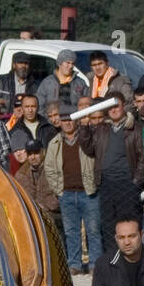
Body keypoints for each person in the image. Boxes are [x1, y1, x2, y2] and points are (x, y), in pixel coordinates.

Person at [45, 104, 99, 273]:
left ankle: (95, 264)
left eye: (71, 119)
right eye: (64, 120)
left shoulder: (87, 137)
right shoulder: (54, 143)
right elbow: (49, 168)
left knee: (94, 230)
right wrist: (58, 190)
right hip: (66, 193)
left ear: (76, 121)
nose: (68, 123)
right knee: (71, 231)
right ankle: (74, 264)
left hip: (88, 191)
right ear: (59, 122)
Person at [89, 94, 143, 254]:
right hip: (106, 183)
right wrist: (84, 128)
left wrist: (136, 182)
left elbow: (142, 157)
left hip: (127, 183)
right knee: (107, 224)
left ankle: (132, 255)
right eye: (110, 107)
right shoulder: (101, 129)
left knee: (129, 222)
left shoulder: (135, 128)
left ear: (124, 106)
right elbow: (89, 149)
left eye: (116, 106)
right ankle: (113, 257)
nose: (113, 110)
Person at [35, 49, 88, 113]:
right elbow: (39, 106)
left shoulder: (80, 83)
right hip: (52, 121)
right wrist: (47, 121)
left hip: (75, 121)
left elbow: (87, 105)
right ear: (59, 63)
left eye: (73, 63)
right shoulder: (47, 83)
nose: (71, 66)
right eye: (68, 63)